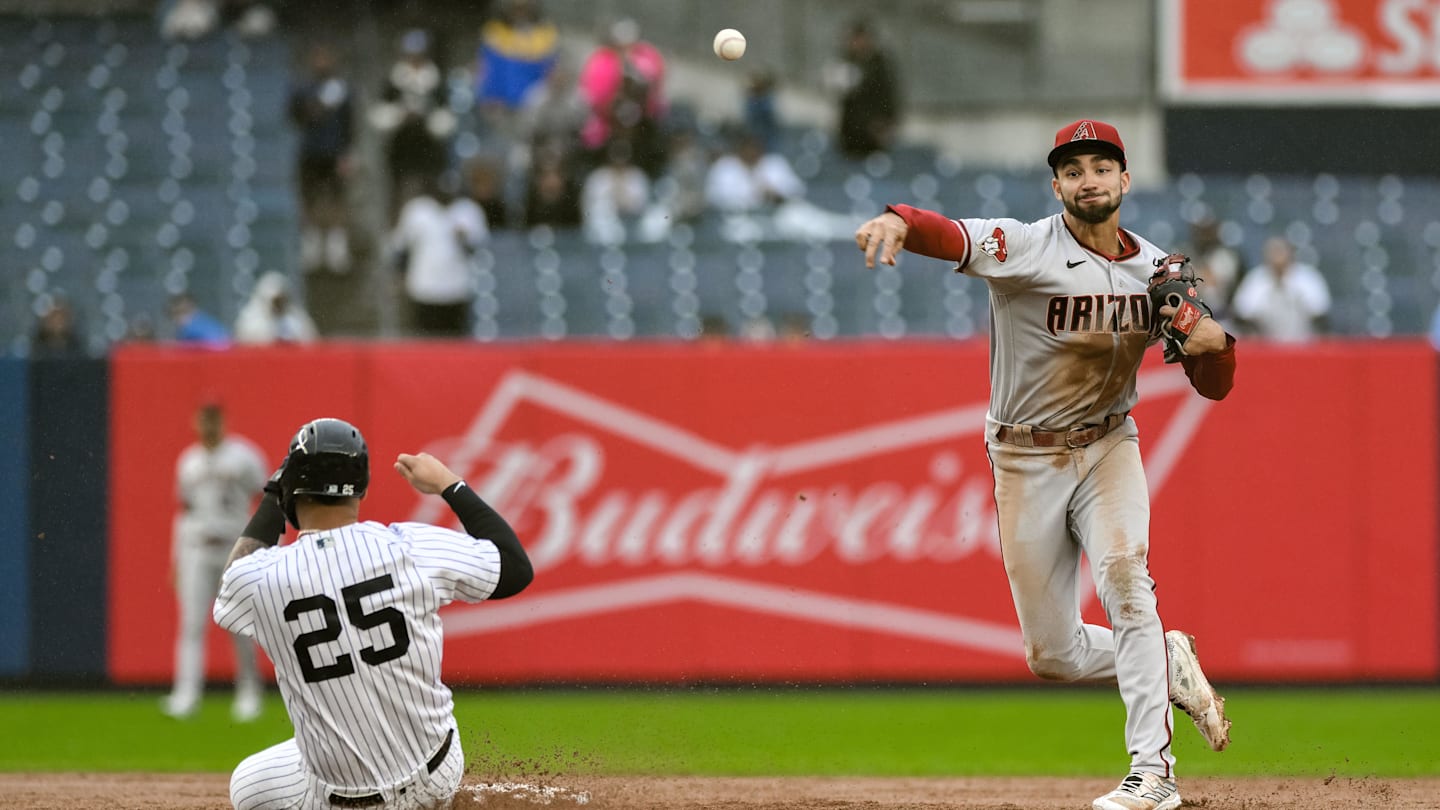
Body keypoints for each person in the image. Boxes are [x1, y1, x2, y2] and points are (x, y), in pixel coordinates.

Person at [854, 119, 1236, 810]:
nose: (1089, 178)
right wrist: (899, 220)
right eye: (1074, 169)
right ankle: (1164, 659)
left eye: (1102, 166)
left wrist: (1212, 340)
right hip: (1024, 457)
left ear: (1124, 179)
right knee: (1051, 655)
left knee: (1126, 580)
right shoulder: (1027, 245)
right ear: (1056, 185)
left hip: (1109, 446)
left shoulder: (1153, 270)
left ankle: (1154, 773)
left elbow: (1216, 384)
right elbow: (953, 235)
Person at [215, 418, 533, 809]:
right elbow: (515, 567)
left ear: (291, 490)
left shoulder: (261, 580)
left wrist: (272, 492)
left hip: (344, 801)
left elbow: (233, 576)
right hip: (438, 773)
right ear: (361, 487)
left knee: (247, 786)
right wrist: (451, 484)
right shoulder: (408, 546)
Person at [165, 402, 268, 721]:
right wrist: (176, 558)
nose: (208, 425)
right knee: (192, 624)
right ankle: (186, 694)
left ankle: (249, 692)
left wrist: (263, 549)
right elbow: (184, 513)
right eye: (204, 419)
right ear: (195, 421)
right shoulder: (189, 461)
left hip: (233, 547)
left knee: (239, 623)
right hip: (196, 547)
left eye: (214, 419)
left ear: (223, 421)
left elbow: (266, 501)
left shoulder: (244, 456)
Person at [390, 176, 489, 337]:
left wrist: (463, 239)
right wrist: (398, 276)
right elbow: (401, 247)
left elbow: (479, 250)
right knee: (425, 341)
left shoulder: (468, 211)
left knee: (455, 341)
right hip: (424, 288)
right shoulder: (417, 210)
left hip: (457, 289)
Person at [288, 42, 355, 273]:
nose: (322, 63)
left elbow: (350, 125)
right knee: (309, 199)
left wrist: (346, 154)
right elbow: (293, 117)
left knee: (337, 199)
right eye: (319, 58)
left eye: (326, 58)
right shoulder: (302, 88)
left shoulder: (343, 88)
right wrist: (317, 107)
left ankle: (337, 248)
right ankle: (311, 245)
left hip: (335, 152)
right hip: (311, 152)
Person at [1229, 236, 1331, 342]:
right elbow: (1243, 311)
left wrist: (1289, 287)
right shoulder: (1256, 279)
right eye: (1273, 252)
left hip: (1304, 344)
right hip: (1264, 345)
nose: (1277, 256)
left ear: (1290, 253)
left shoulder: (1308, 277)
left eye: (1281, 251)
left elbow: (1319, 309)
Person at [827, 20, 901, 159]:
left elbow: (889, 98)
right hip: (850, 133)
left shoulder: (880, 66)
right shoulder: (846, 62)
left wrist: (885, 124)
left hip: (873, 133)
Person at [234, 271, 320, 345]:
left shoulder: (297, 319)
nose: (278, 305)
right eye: (275, 301)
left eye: (282, 300)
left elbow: (310, 341)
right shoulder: (250, 320)